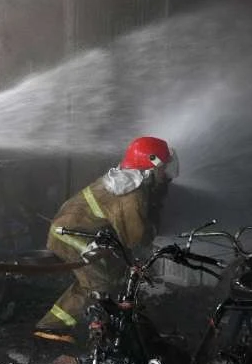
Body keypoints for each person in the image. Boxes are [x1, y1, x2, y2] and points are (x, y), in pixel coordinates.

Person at [34, 137, 178, 344]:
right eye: (162, 168)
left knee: (114, 272)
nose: (165, 174)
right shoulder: (132, 196)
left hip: (77, 231)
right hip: (69, 236)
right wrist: (153, 223)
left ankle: (109, 319)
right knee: (99, 283)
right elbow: (134, 239)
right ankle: (52, 327)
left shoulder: (125, 179)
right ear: (149, 169)